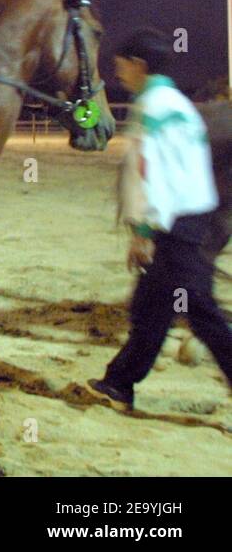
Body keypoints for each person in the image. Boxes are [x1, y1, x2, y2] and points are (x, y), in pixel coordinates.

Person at [89, 28, 232, 409]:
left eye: (120, 67)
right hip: (193, 214)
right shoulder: (181, 104)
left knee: (202, 313)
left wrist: (142, 230)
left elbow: (146, 173)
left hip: (173, 224)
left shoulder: (150, 107)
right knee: (150, 306)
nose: (117, 75)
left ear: (139, 65)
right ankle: (119, 382)